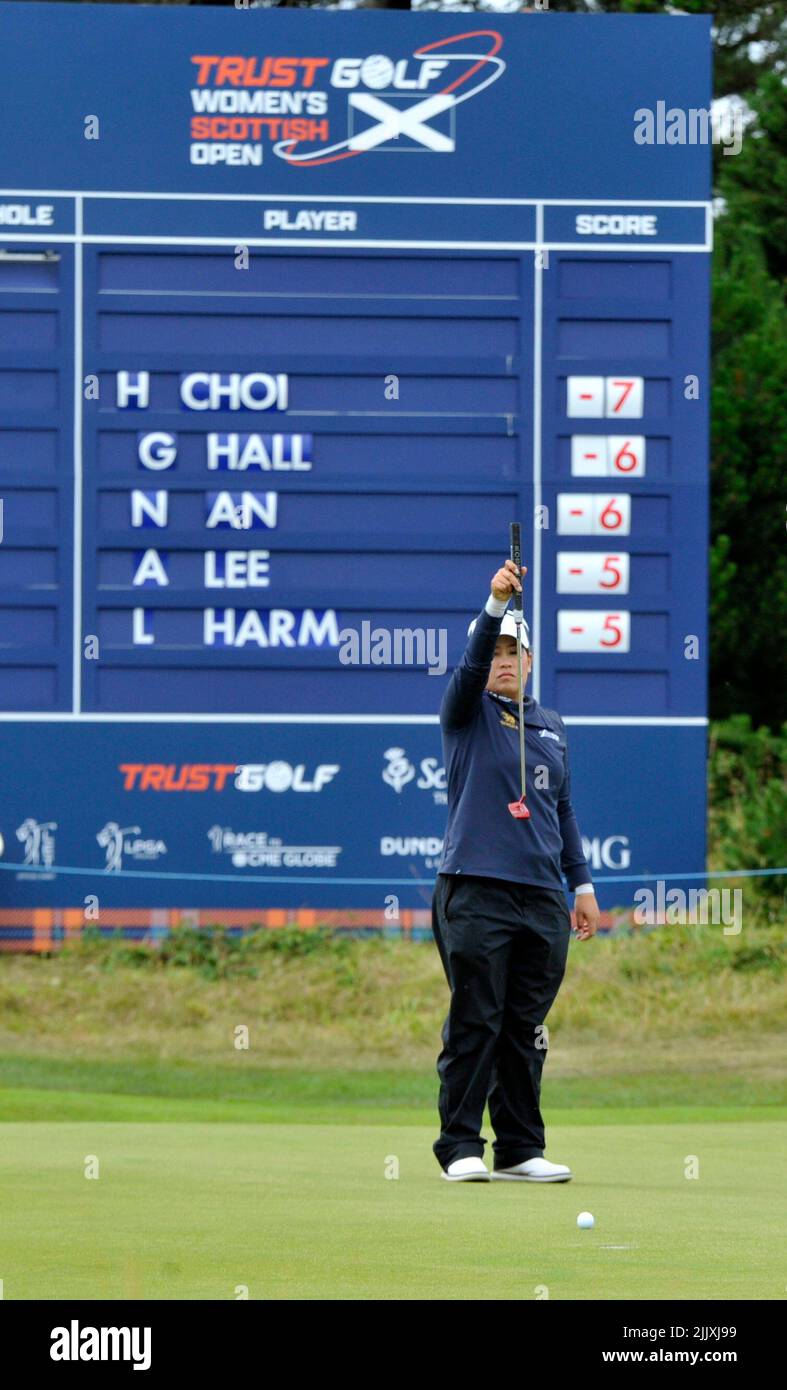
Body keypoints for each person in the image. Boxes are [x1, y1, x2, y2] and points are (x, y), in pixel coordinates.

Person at [432, 556, 600, 1182]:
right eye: (497, 650)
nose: (503, 659)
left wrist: (579, 885)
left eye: (514, 652)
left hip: (543, 898)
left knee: (525, 1027)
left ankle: (522, 1148)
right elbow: (471, 664)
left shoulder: (552, 726)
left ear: (530, 662)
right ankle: (459, 1148)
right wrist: (495, 603)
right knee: (477, 1017)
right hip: (475, 888)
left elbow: (563, 810)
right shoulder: (467, 712)